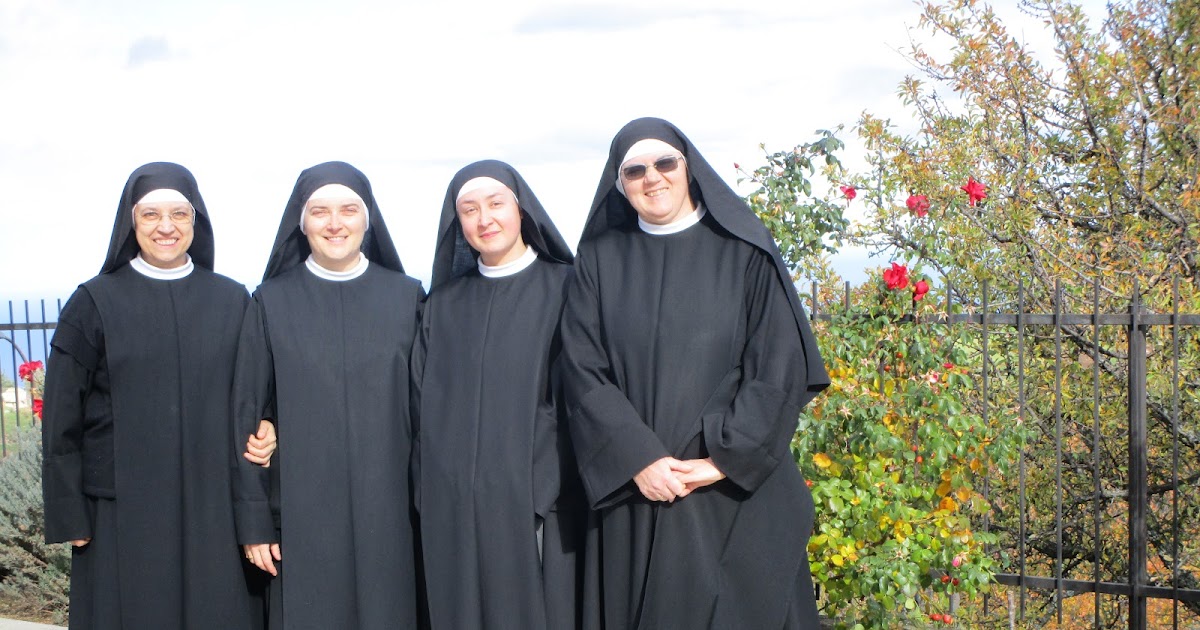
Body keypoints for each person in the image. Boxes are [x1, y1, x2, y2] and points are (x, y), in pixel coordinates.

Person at [559, 118, 830, 629]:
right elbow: (581, 368)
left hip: (724, 486)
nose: (652, 178)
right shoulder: (598, 261)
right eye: (634, 170)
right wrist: (638, 459)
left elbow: (776, 365)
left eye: (665, 162)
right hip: (636, 489)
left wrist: (725, 459)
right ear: (619, 184)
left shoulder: (744, 251)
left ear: (689, 168)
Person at [41, 162, 273, 629]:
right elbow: (62, 414)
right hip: (120, 510)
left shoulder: (233, 301)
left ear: (195, 222)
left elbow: (258, 390)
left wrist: (270, 424)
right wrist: (70, 513)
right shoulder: (93, 302)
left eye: (178, 214)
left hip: (214, 506)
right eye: (151, 215)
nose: (165, 226)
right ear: (131, 222)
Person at [232, 161, 425, 630]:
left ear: (368, 220)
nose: (335, 223)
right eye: (319, 212)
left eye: (348, 210)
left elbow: (429, 410)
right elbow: (247, 412)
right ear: (301, 224)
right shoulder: (270, 301)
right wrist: (254, 522)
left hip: (394, 515)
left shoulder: (408, 298)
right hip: (300, 520)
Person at [411, 160, 583, 629]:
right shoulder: (442, 304)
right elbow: (422, 406)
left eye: (495, 204)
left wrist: (536, 492)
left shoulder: (566, 287)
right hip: (454, 513)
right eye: (469, 210)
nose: (484, 219)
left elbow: (580, 396)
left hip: (535, 506)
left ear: (521, 209)